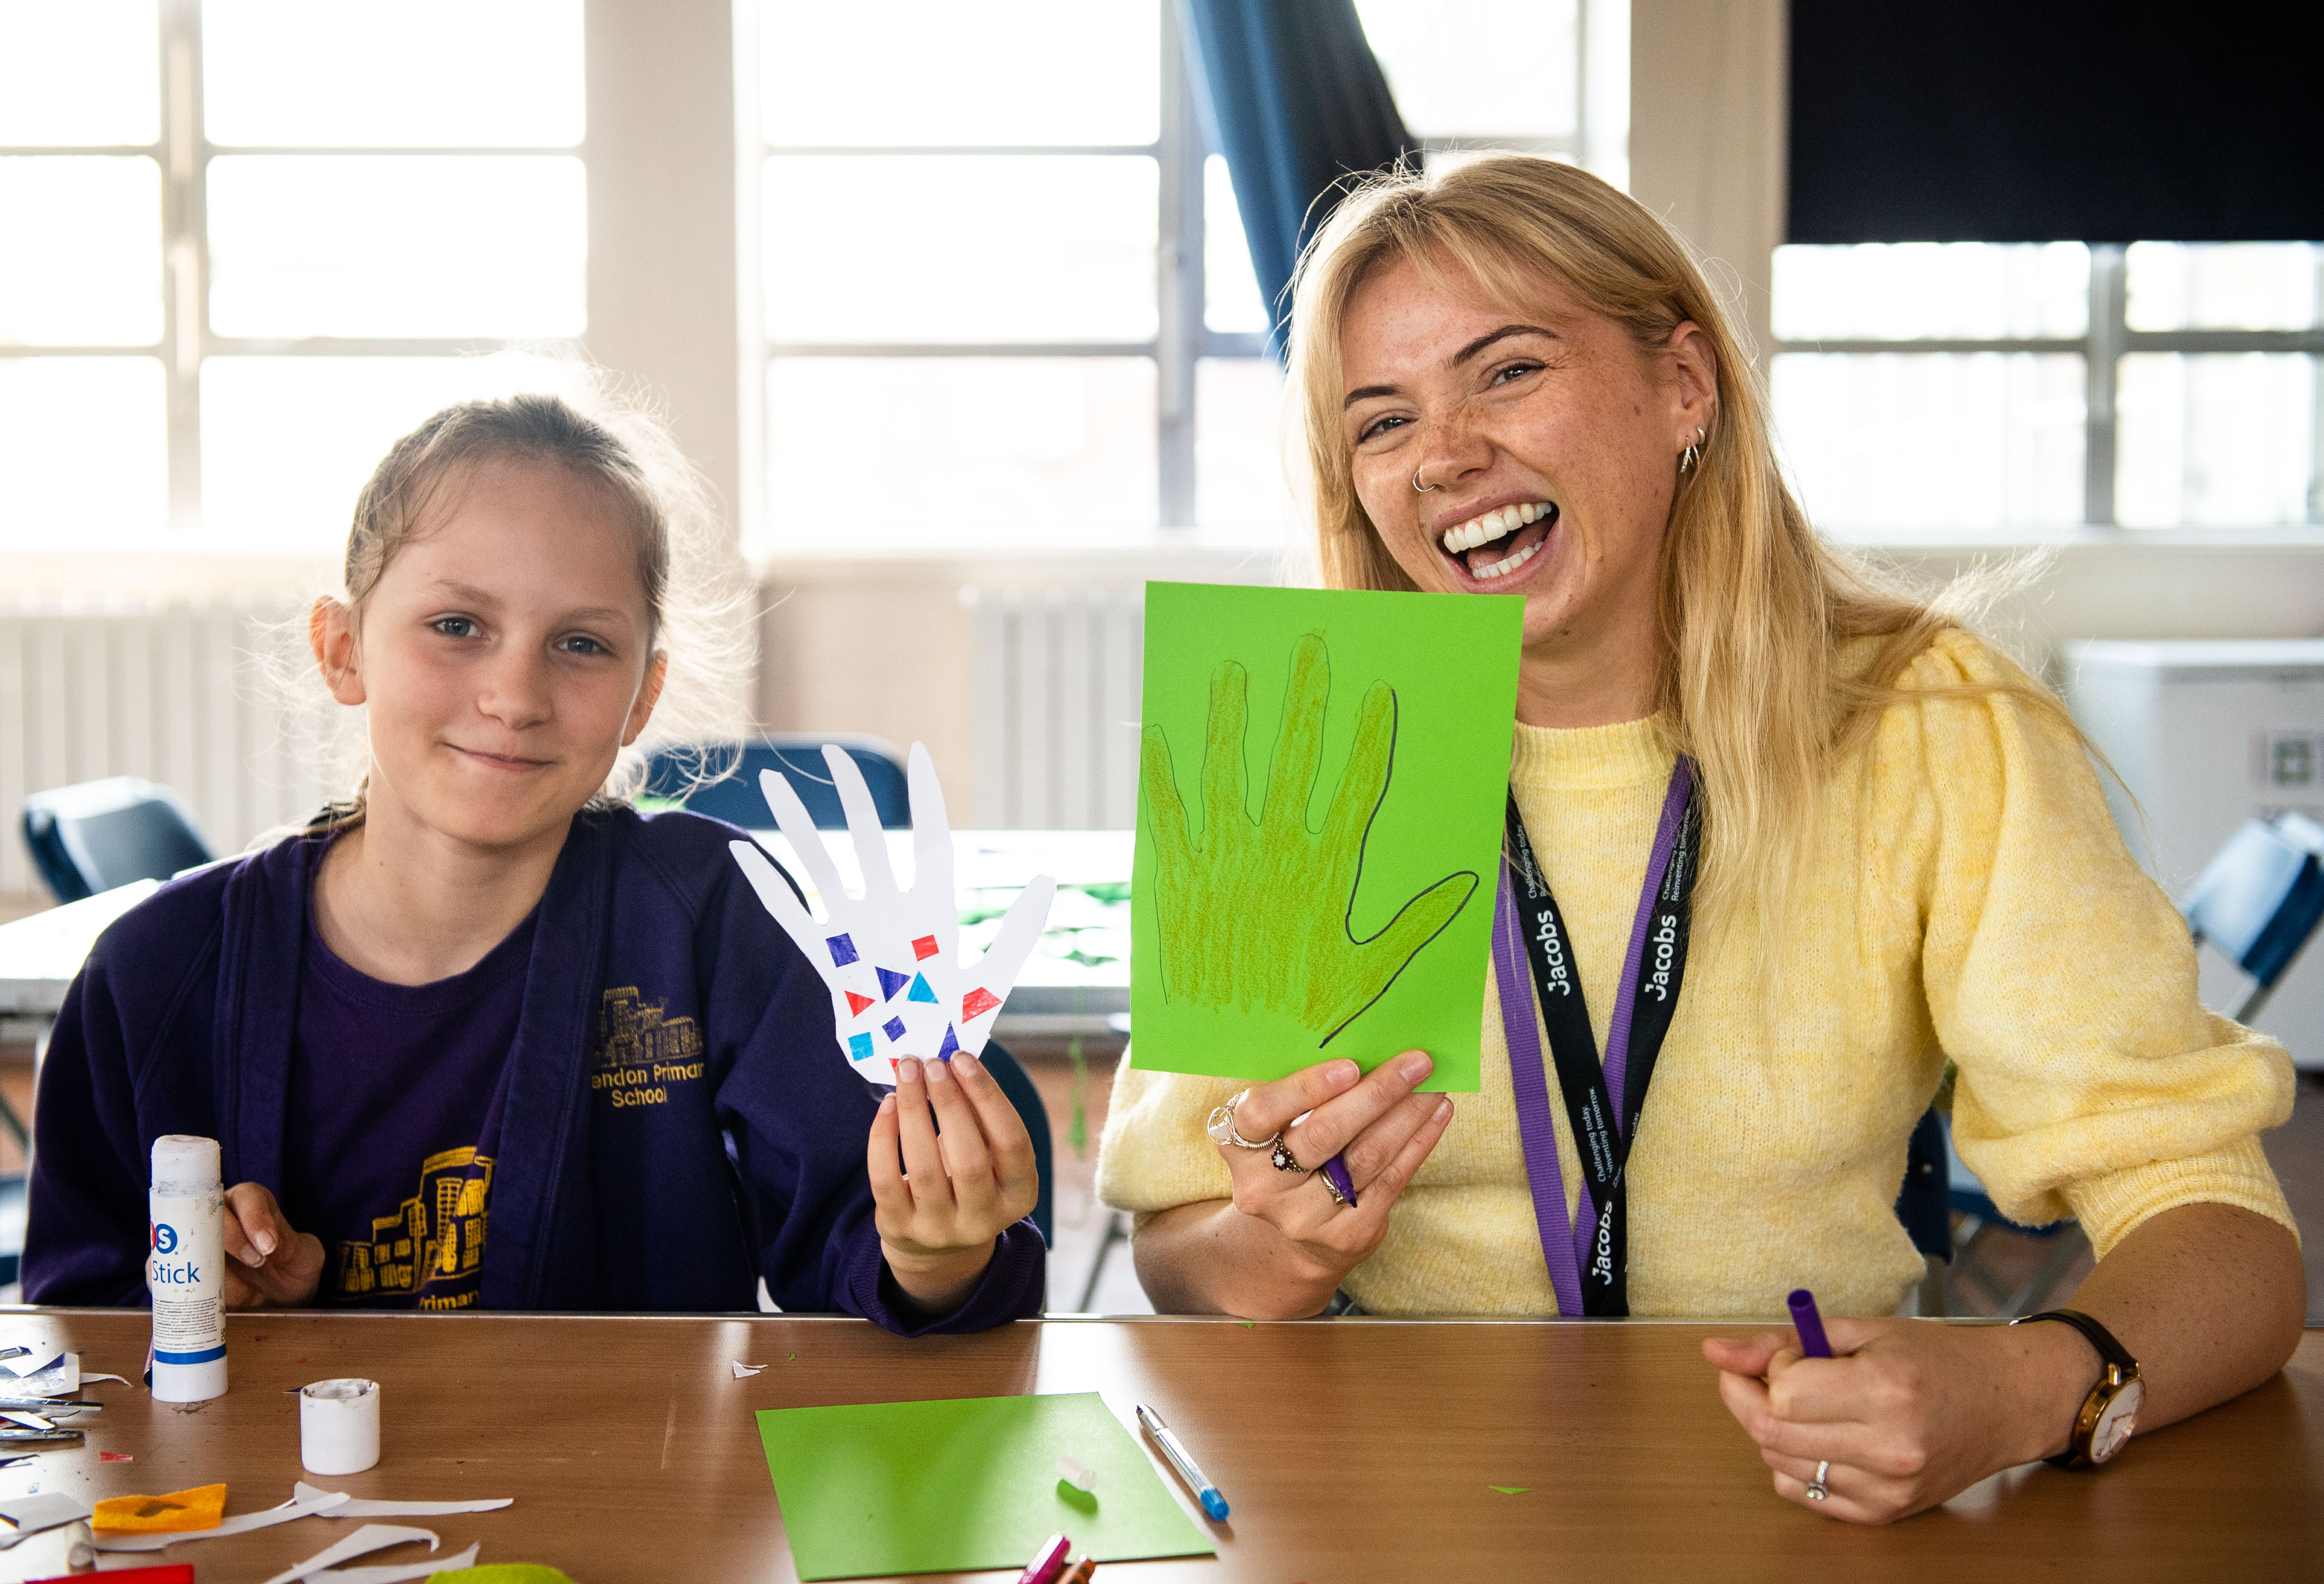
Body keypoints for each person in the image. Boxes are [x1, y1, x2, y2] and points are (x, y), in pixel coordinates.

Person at [1095, 155, 2303, 1519]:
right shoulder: (1306, 745)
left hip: (1797, 1486)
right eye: (1380, 423)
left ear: (1684, 386)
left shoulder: (1930, 723)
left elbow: (2223, 1230)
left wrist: (2021, 1388)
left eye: (1506, 372)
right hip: (1392, 1485)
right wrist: (1276, 1249)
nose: (1444, 458)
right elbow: (1178, 1248)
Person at [26, 386, 1043, 1333]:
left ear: (644, 695)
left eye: (582, 644)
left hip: (647, 1503)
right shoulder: (153, 978)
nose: (516, 694)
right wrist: (205, 1304)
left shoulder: (710, 918)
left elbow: (857, 1231)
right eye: (457, 625)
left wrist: (933, 1251)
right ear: (343, 650)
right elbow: (78, 1336)